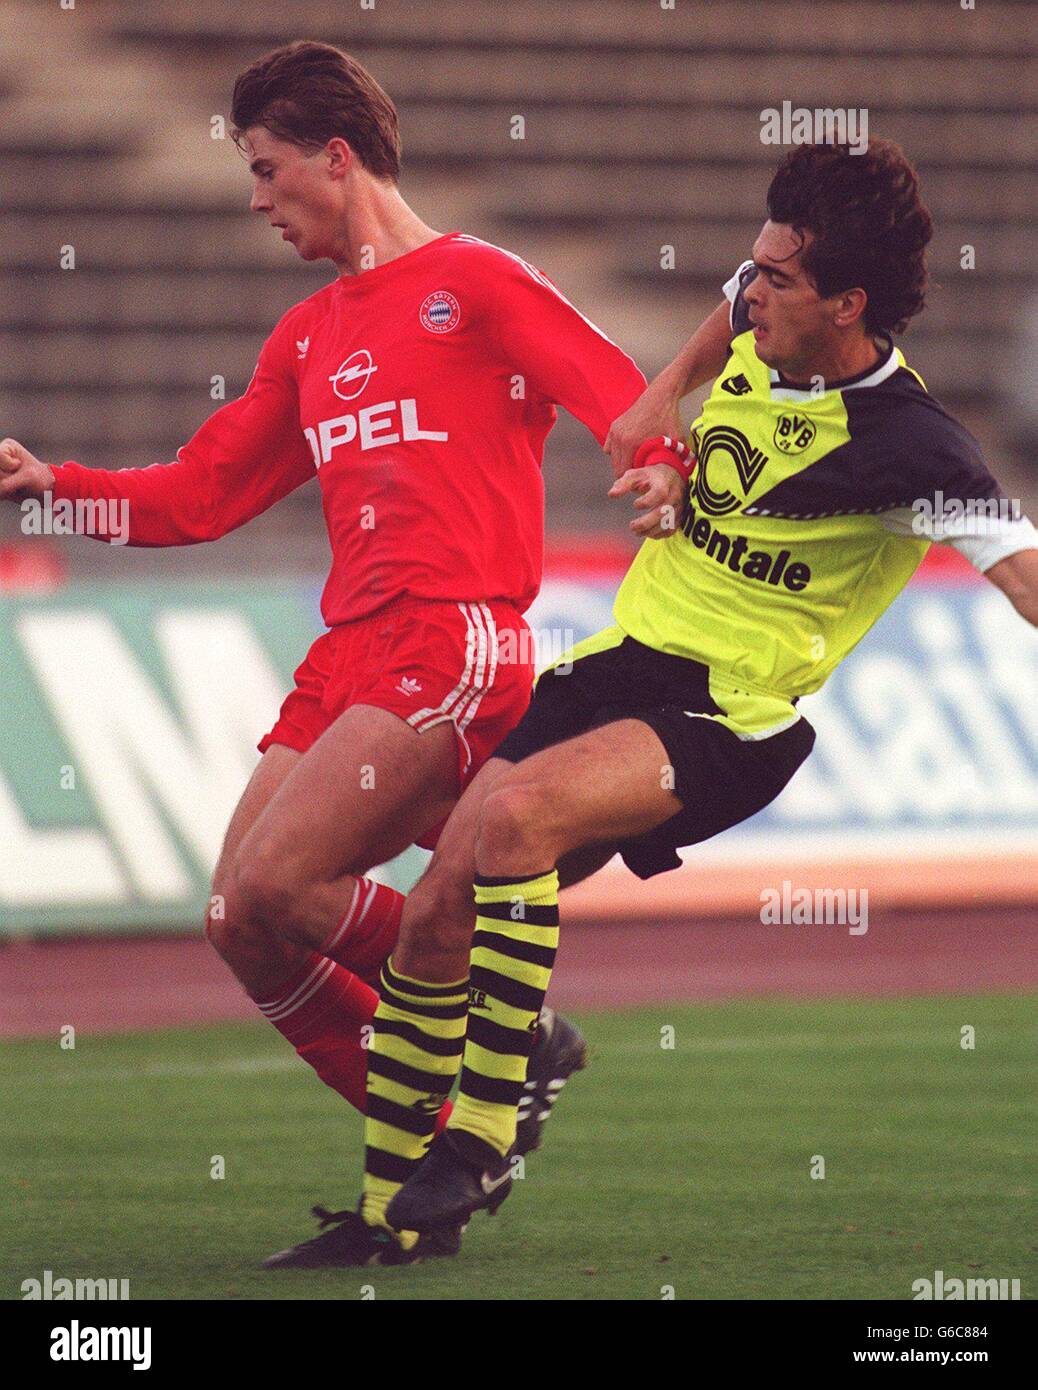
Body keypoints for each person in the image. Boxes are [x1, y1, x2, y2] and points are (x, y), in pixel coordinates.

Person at [0, 40, 673, 1268]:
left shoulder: (472, 284)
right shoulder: (308, 336)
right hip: (347, 654)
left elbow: (615, 385)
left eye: (266, 170)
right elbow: (200, 494)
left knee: (278, 887)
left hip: (455, 633)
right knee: (237, 917)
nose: (256, 198)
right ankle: (433, 1157)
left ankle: (502, 1039)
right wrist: (56, 489)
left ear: (336, 157)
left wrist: (661, 468)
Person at [345, 138, 1038, 1242]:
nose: (750, 288)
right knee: (432, 921)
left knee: (517, 821)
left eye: (777, 278)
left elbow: (1023, 578)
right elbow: (723, 310)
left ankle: (476, 1143)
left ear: (847, 304)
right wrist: (664, 403)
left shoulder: (916, 448)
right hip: (625, 658)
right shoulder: (765, 320)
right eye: (753, 266)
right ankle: (388, 1217)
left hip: (730, 715)